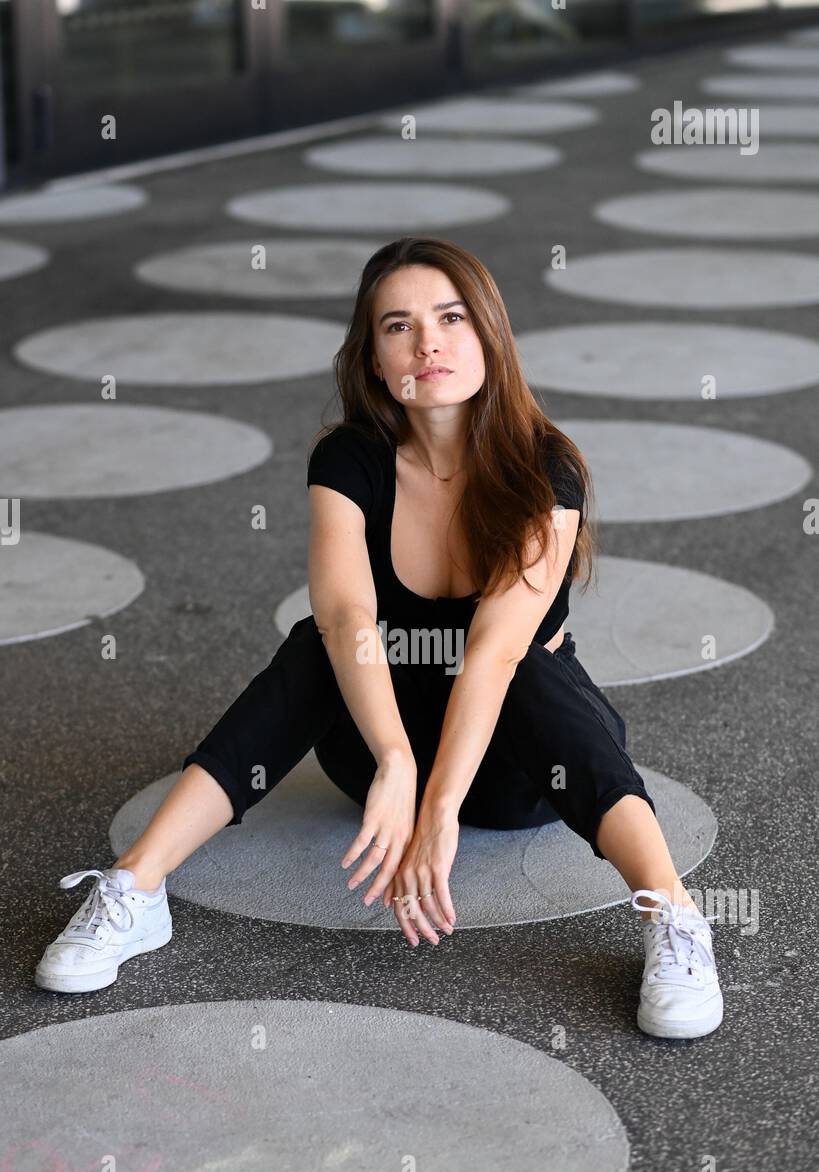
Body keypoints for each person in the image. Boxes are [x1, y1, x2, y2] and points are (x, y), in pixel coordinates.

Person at [35, 237, 722, 1040]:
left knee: (528, 664)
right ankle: (134, 889)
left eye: (450, 317)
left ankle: (673, 917)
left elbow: (493, 653)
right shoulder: (349, 460)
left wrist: (439, 810)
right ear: (372, 361)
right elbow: (346, 618)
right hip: (374, 754)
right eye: (398, 326)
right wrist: (397, 765)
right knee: (319, 643)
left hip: (516, 767)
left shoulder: (544, 469)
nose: (426, 342)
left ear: (488, 337)